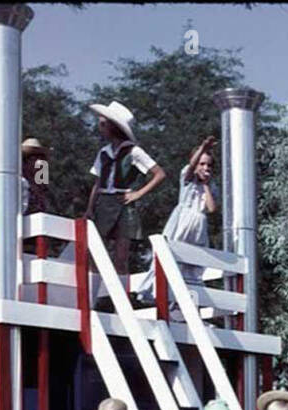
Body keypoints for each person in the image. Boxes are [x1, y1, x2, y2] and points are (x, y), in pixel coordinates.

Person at [84, 101, 166, 293]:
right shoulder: (103, 152)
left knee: (121, 257)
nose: (100, 126)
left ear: (113, 126)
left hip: (123, 204)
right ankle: (92, 298)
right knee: (95, 252)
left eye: (103, 123)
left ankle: (122, 300)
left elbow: (159, 174)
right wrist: (89, 208)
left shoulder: (133, 151)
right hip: (103, 203)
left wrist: (138, 193)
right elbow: (97, 182)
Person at [136, 134, 218, 310]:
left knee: (193, 264)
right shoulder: (187, 179)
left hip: (198, 226)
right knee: (172, 257)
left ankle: (185, 303)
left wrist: (206, 185)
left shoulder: (211, 186)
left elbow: (211, 209)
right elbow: (189, 169)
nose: (205, 167)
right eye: (202, 164)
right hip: (183, 222)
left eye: (209, 165)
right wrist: (203, 147)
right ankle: (158, 294)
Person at [20, 138, 50, 215]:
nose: (39, 161)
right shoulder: (21, 182)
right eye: (34, 158)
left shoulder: (41, 181)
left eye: (41, 157)